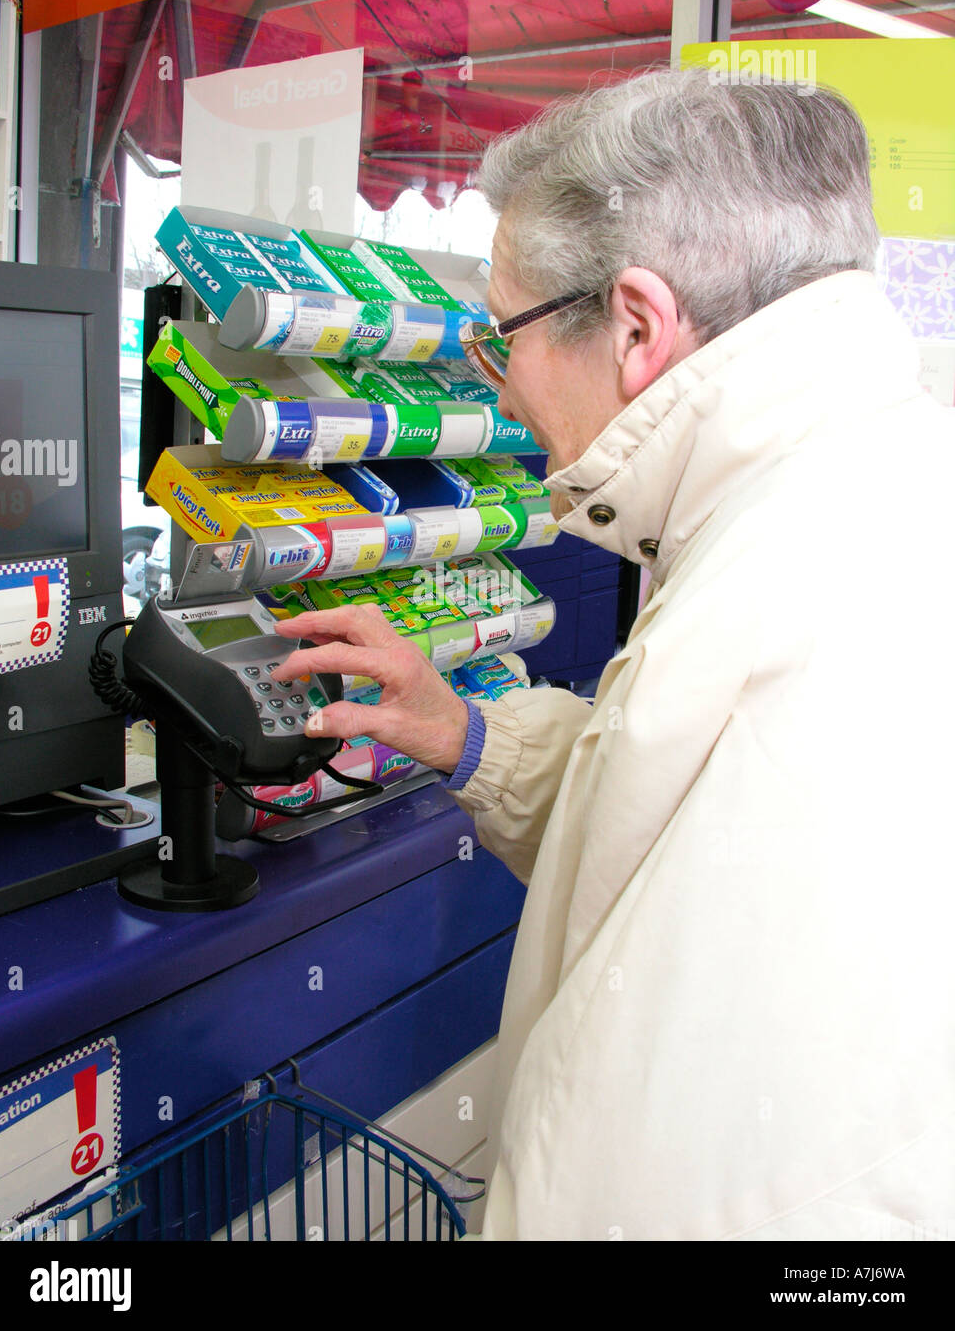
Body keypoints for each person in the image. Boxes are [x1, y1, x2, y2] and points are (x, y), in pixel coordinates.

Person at [271, 68, 955, 1240]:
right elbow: (673, 828)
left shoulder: (779, 583)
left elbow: (662, 1156)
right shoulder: (866, 486)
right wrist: (468, 732)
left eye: (503, 336)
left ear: (636, 325)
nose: (504, 380)